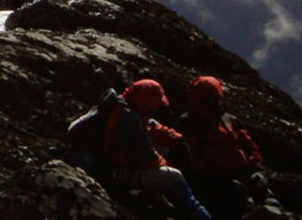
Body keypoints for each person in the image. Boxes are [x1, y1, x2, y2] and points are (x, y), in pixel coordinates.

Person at [65, 79, 211, 220]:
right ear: (146, 102)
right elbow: (147, 158)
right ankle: (198, 215)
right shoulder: (128, 118)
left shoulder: (117, 105)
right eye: (154, 105)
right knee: (174, 176)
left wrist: (172, 139)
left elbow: (148, 129)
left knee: (163, 153)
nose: (155, 109)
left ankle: (157, 198)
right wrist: (163, 162)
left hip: (99, 160)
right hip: (109, 171)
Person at [177, 75, 279, 217]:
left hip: (239, 171)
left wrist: (253, 163)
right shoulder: (188, 123)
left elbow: (250, 147)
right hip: (212, 178)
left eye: (215, 99)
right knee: (238, 194)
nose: (214, 103)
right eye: (208, 100)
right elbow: (191, 160)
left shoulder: (230, 119)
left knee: (259, 184)